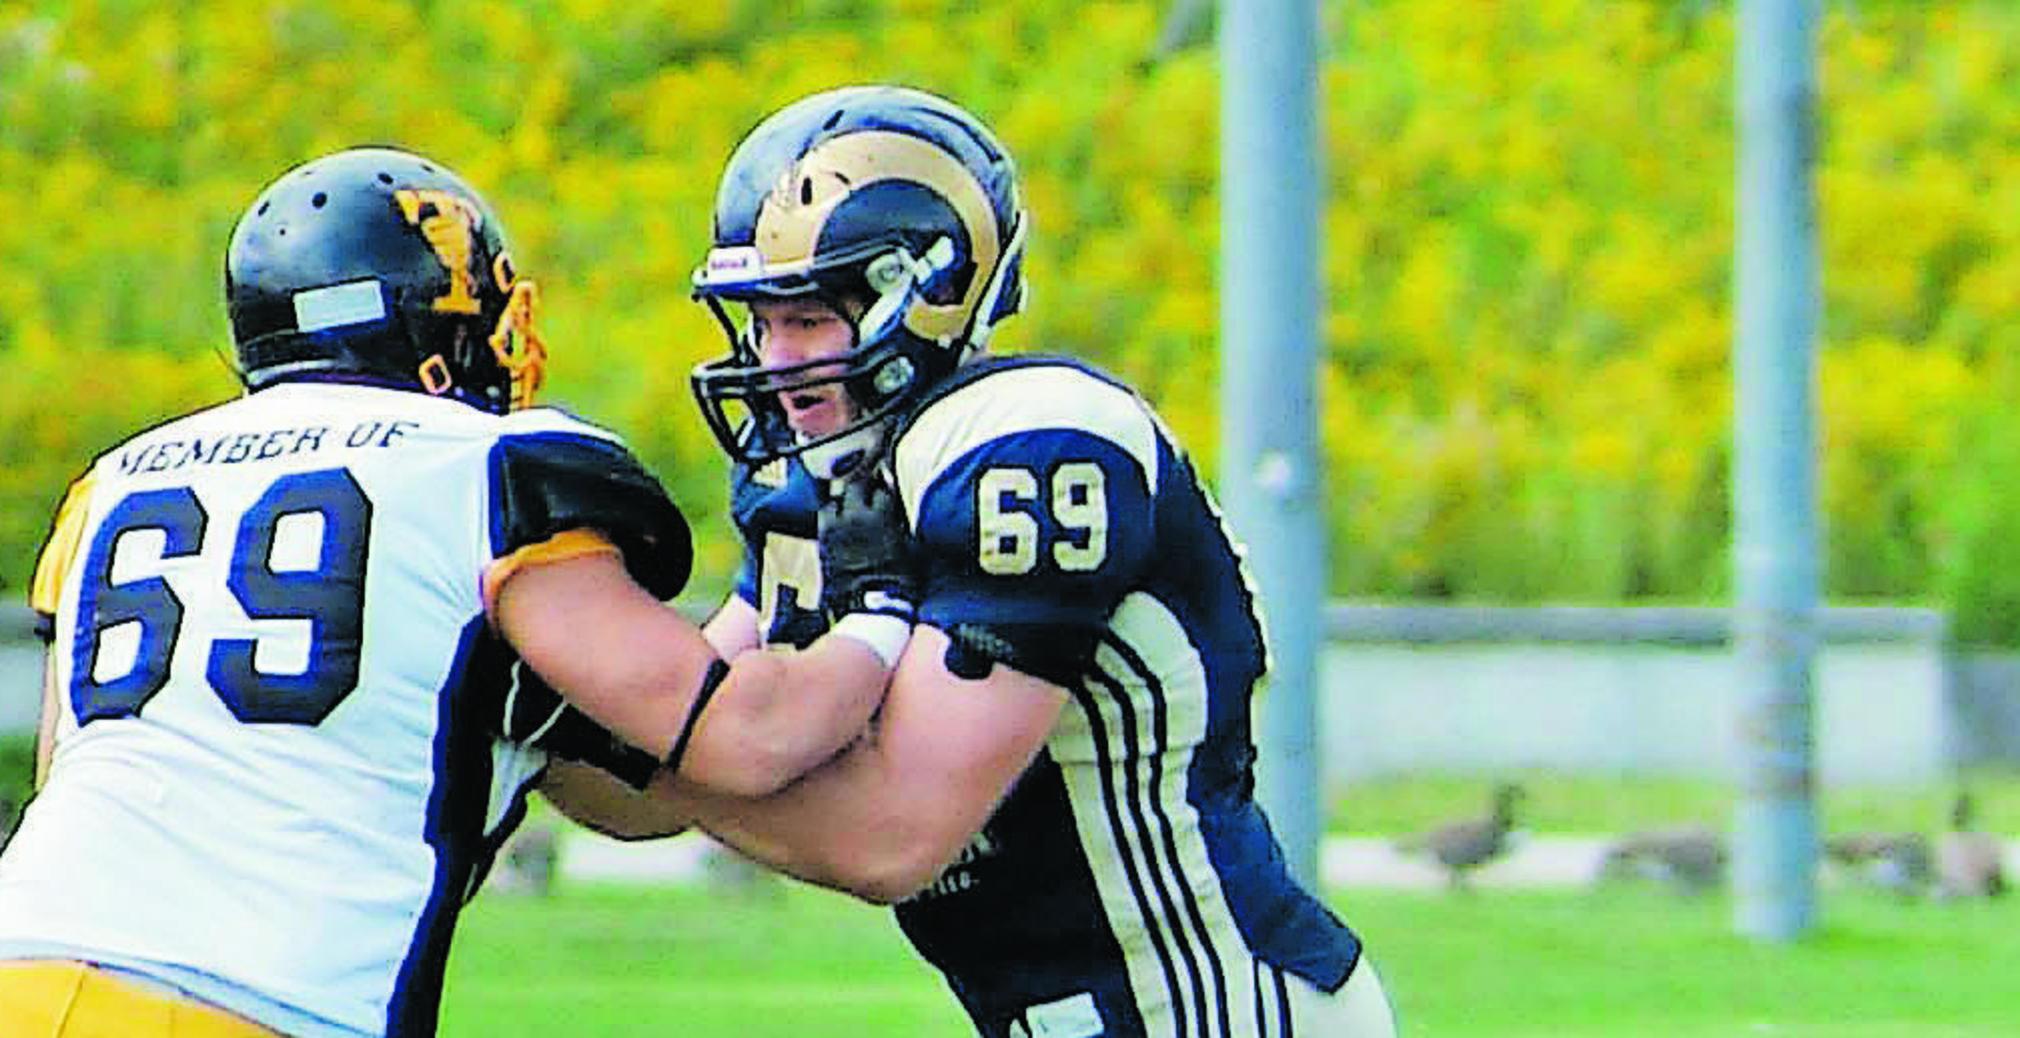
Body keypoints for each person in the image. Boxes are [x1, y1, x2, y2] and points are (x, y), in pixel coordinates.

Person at [0, 146, 916, 1038]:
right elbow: (747, 737)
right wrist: (879, 604)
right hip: (263, 1000)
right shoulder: (481, 467)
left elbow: (635, 797)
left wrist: (748, 610)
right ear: (441, 331)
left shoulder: (113, 484)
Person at [665, 85, 1398, 1037]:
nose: (774, 359)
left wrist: (635, 747)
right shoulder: (832, 489)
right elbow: (690, 716)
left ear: (923, 298)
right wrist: (534, 649)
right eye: (760, 322)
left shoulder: (1031, 450)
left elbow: (889, 834)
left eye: (805, 317)